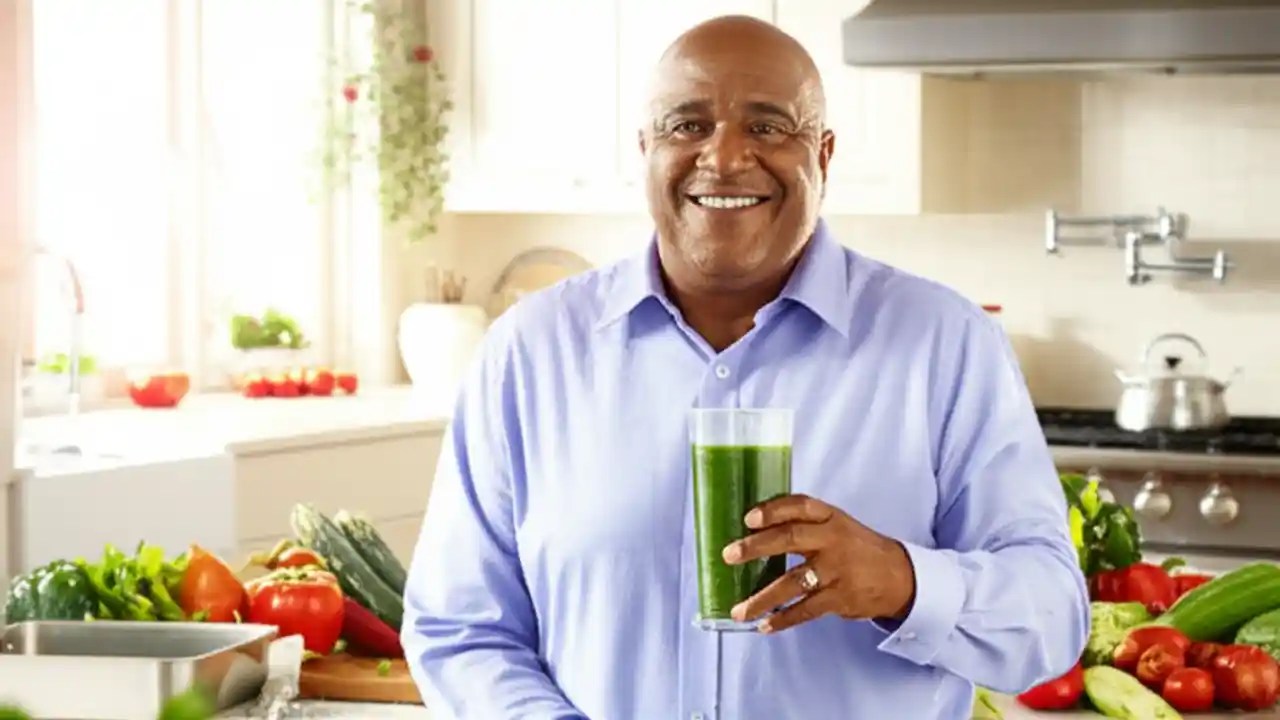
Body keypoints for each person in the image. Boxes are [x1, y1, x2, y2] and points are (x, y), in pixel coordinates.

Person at [401, 14, 1090, 720]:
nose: (724, 157)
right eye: (686, 125)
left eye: (767, 127)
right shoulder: (531, 352)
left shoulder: (945, 344)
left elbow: (1051, 620)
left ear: (823, 155)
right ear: (645, 150)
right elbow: (460, 630)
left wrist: (903, 581)